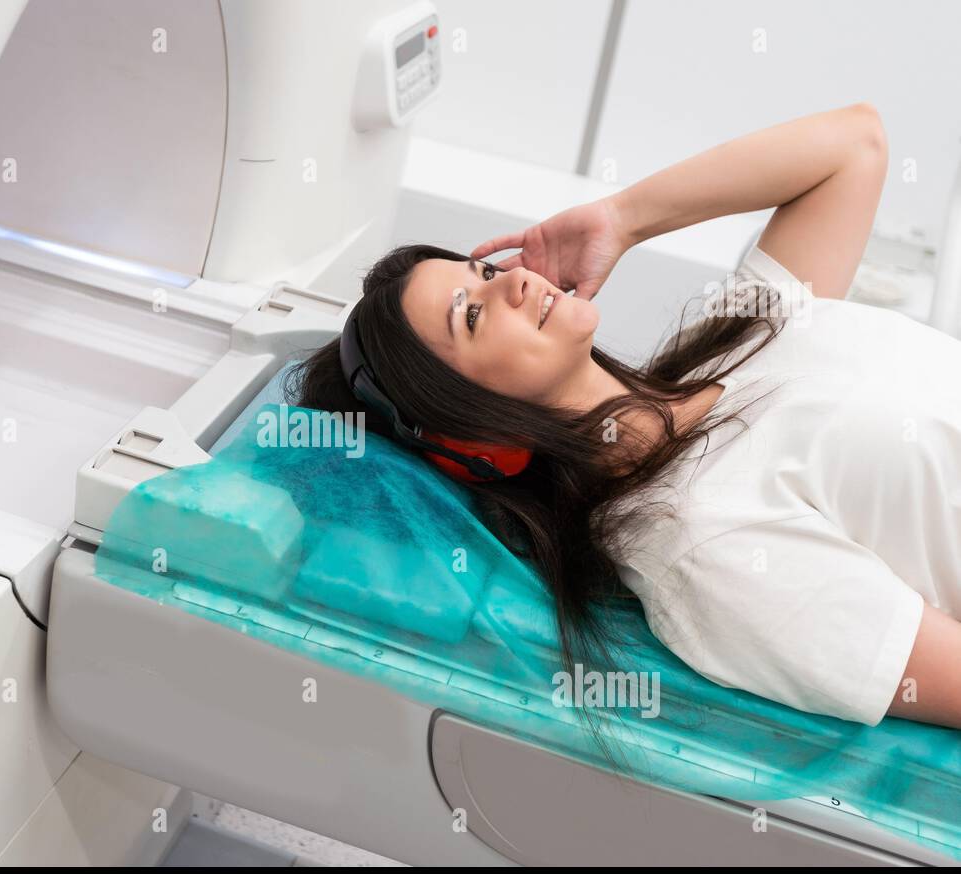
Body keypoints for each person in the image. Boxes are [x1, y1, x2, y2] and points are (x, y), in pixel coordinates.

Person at [291, 102, 961, 730]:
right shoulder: (703, 548)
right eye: (471, 315)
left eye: (485, 274)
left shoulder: (727, 341)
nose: (517, 281)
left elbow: (855, 144)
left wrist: (624, 216)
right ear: (475, 444)